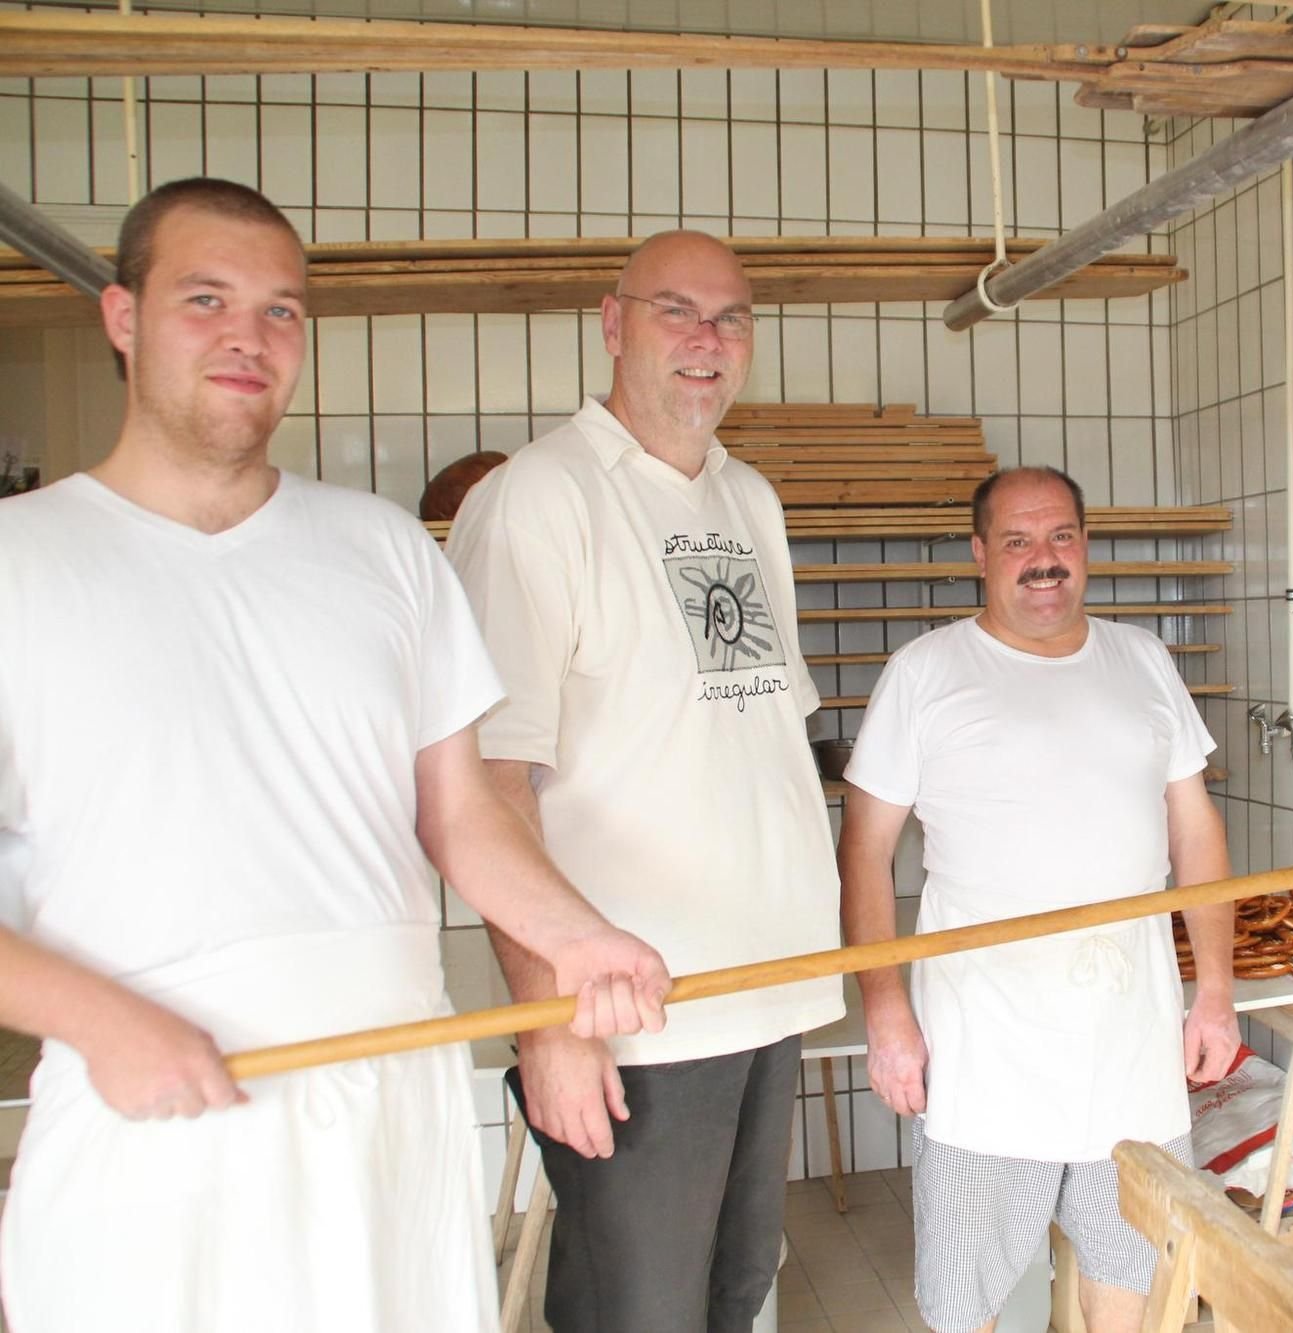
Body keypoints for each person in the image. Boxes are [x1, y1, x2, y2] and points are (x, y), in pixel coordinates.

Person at [0, 177, 672, 1332]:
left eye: (280, 311)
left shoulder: (379, 550)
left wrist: (575, 933)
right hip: (156, 1120)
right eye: (204, 298)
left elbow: (457, 811)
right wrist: (101, 1020)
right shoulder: (20, 563)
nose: (246, 338)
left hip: (387, 1102)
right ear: (121, 316)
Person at [446, 230, 844, 1332]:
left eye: (730, 318)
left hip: (768, 988)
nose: (707, 341)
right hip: (630, 1014)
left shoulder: (746, 497)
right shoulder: (540, 498)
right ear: (613, 323)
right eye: (676, 311)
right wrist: (549, 1023)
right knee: (639, 1314)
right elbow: (491, 780)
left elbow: (751, 735)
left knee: (733, 1290)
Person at [837, 466, 1241, 1333]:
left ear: (1085, 546)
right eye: (1018, 541)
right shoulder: (926, 672)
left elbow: (1196, 831)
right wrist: (885, 1011)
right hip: (988, 1041)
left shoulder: (1143, 660)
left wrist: (1214, 991)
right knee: (966, 1297)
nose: (1043, 560)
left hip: (1129, 1033)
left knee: (1129, 1272)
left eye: (1060, 536)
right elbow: (864, 851)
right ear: (981, 553)